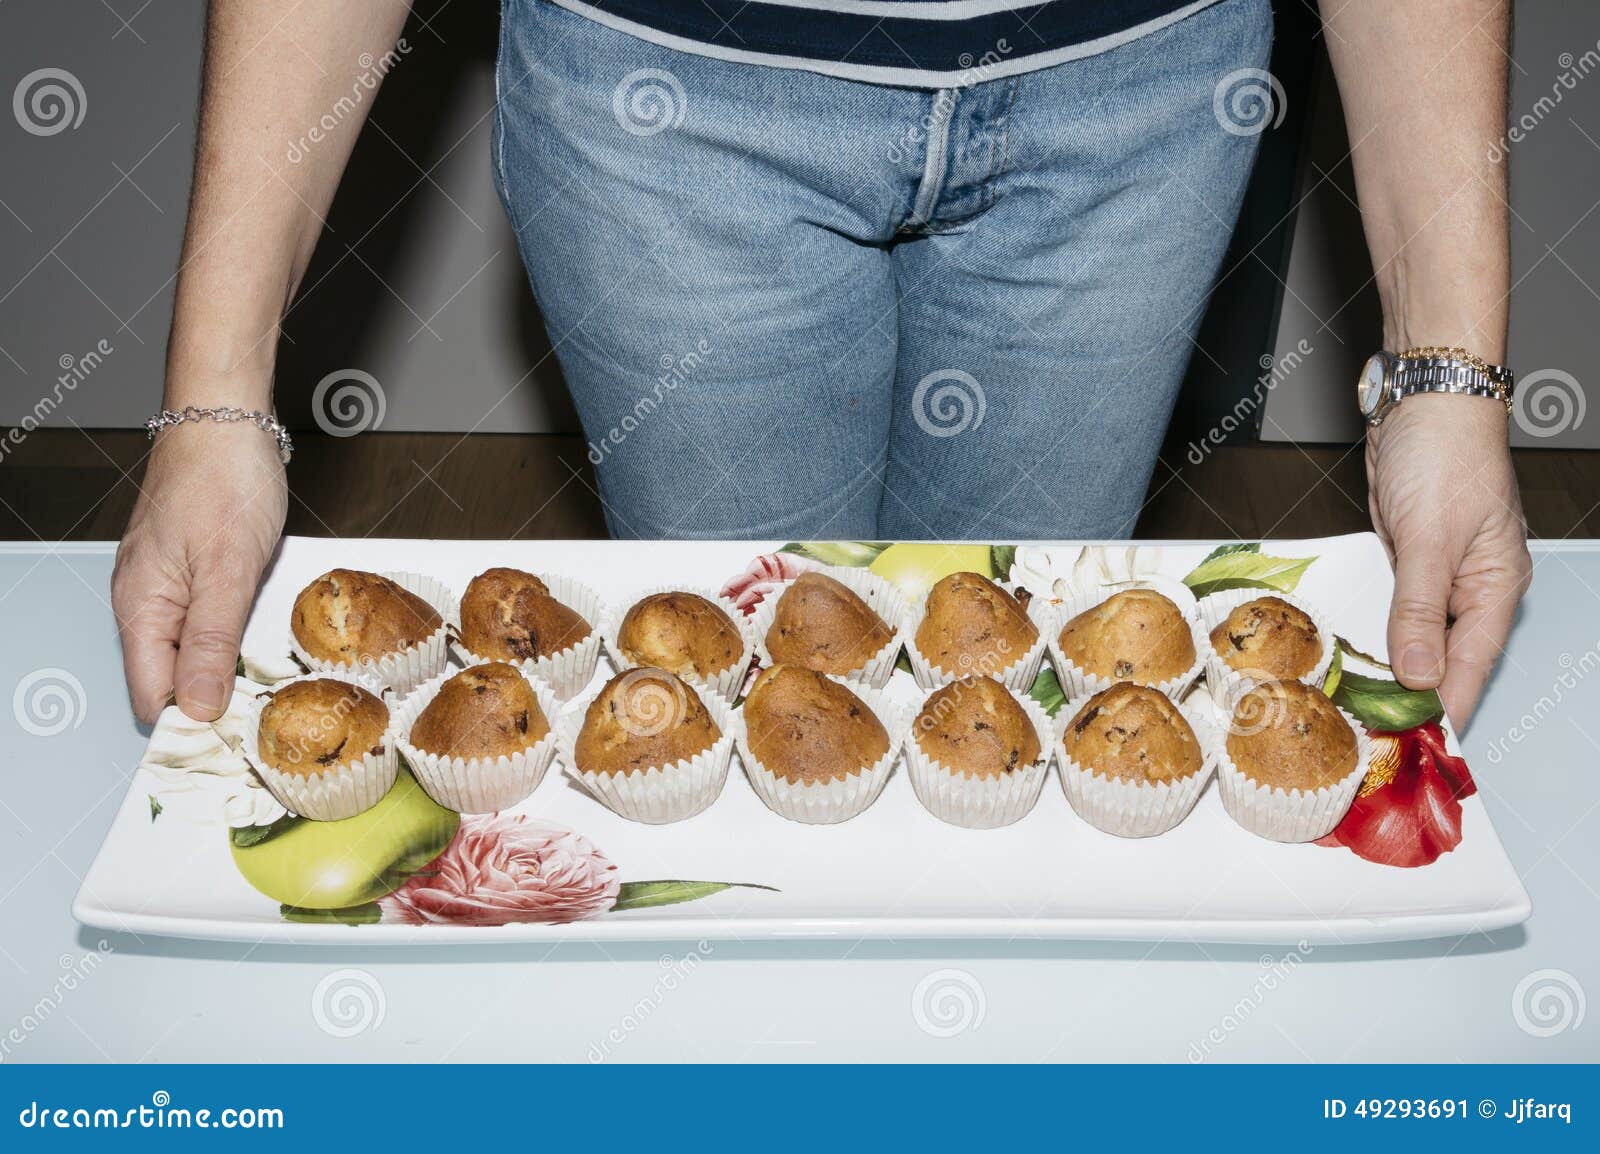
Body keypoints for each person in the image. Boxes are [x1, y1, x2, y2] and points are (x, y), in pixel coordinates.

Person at [113, 0, 1530, 732]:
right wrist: (218, 395)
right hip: (666, 95)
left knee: (1021, 696)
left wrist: (1450, 377)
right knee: (731, 702)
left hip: (1142, 92)